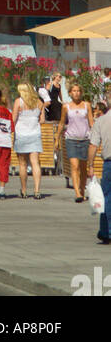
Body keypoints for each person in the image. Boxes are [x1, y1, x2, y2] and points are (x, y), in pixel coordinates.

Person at [57, 81, 94, 203]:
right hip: (71, 139)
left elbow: (91, 122)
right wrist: (56, 138)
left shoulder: (86, 105)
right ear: (70, 93)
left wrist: (96, 136)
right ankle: (77, 192)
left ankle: (82, 189)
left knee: (83, 168)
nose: (76, 93)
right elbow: (62, 122)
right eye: (74, 91)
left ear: (81, 93)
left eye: (78, 91)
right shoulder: (66, 107)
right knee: (74, 165)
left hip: (85, 139)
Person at [12, 82, 45, 199]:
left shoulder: (18, 102)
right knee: (35, 163)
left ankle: (24, 190)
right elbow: (42, 120)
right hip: (35, 134)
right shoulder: (39, 103)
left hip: (21, 134)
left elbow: (14, 119)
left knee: (22, 164)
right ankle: (37, 190)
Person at [86, 101, 111, 245]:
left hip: (109, 163)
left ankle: (106, 231)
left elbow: (93, 145)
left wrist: (91, 165)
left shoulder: (101, 121)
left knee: (107, 197)